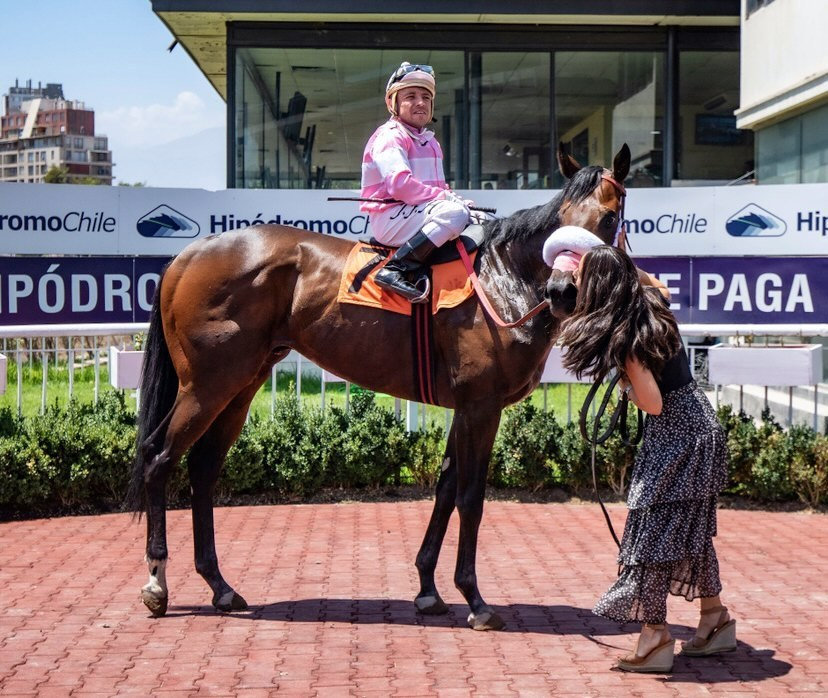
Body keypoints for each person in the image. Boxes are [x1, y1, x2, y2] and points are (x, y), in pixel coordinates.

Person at [558, 245, 735, 674]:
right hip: (700, 425)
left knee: (650, 538)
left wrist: (624, 381)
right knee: (688, 532)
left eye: (582, 278)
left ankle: (655, 636)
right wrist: (615, 260)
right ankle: (715, 621)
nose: (576, 284)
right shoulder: (653, 302)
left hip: (675, 433)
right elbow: (652, 280)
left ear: (599, 288)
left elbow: (652, 404)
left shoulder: (626, 339)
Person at [360, 62, 476, 302]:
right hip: (390, 218)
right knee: (454, 214)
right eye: (410, 96)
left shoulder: (430, 142)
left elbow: (437, 189)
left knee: (479, 218)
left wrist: (454, 198)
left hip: (414, 213)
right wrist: (445, 199)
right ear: (393, 103)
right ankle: (396, 268)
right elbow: (400, 185)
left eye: (425, 96)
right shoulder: (391, 135)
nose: (420, 102)